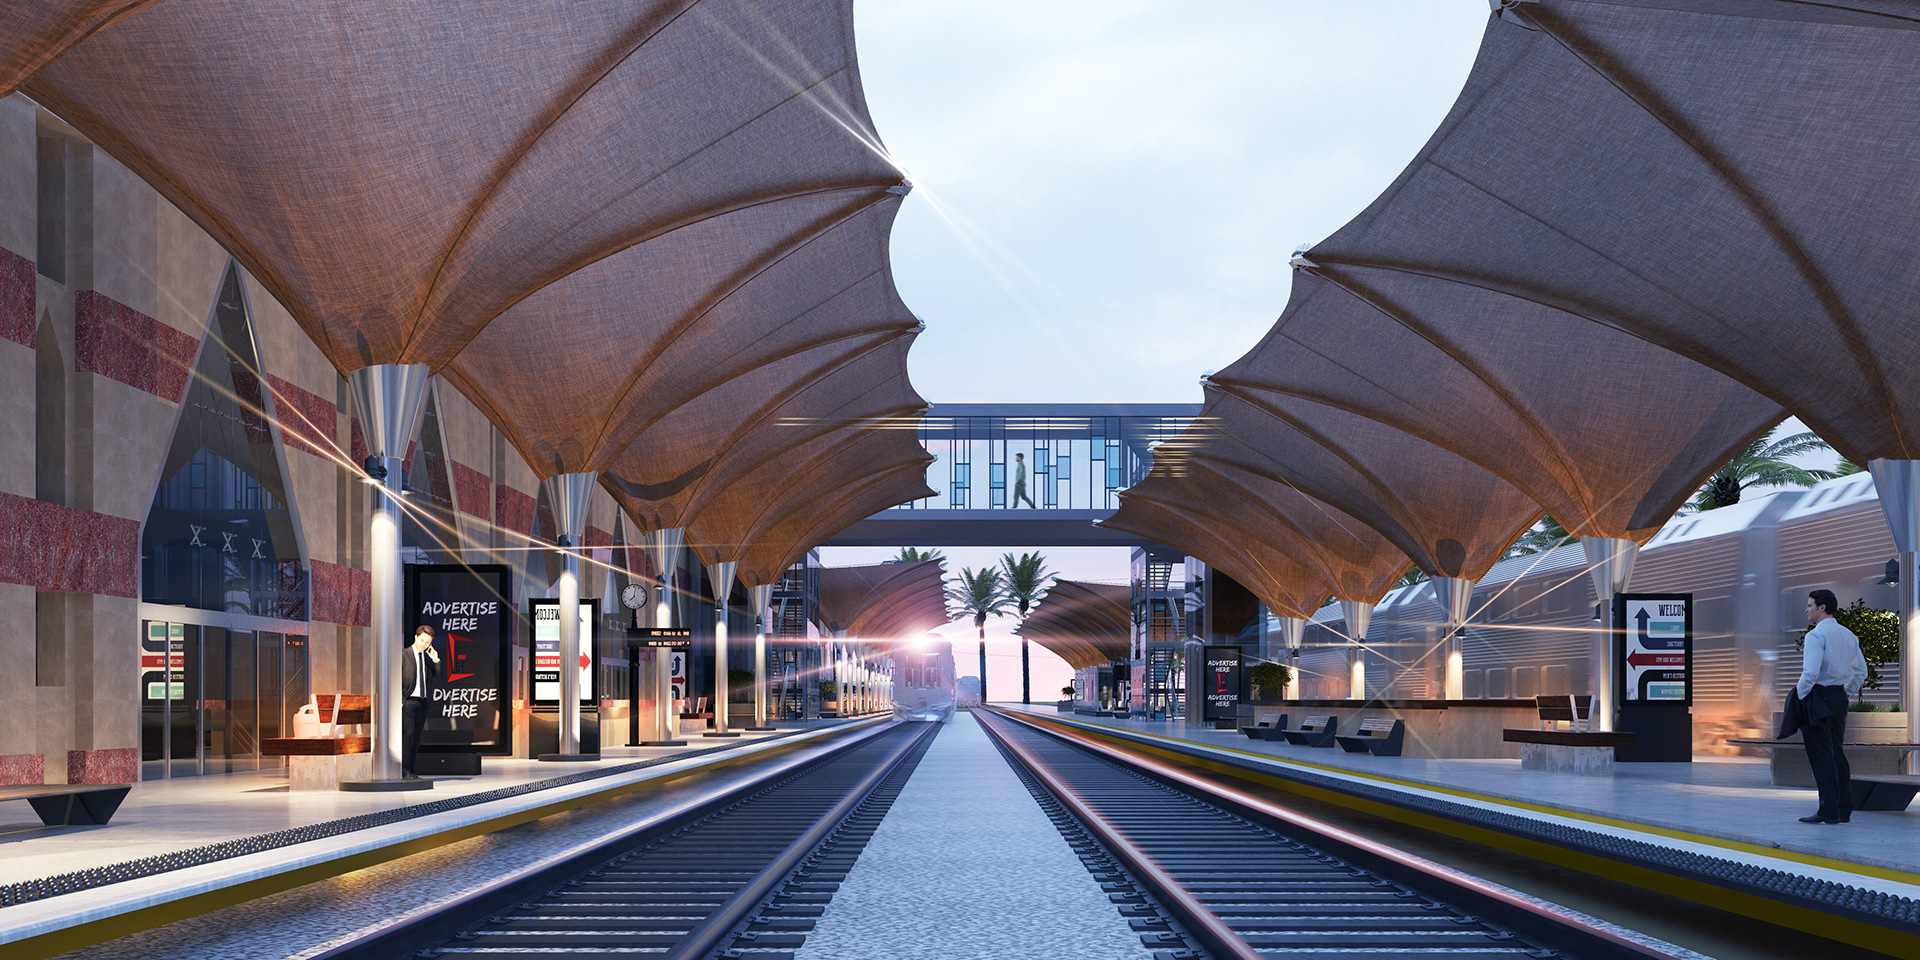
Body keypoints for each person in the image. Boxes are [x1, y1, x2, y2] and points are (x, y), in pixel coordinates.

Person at [1795, 590, 1867, 824]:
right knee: (1837, 753)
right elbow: (1861, 671)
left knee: (1821, 755)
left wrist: (1799, 697)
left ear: (1822, 607)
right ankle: (1843, 809)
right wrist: (1845, 693)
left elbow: (1811, 673)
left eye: (1809, 605)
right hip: (1838, 700)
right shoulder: (1848, 635)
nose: (1806, 609)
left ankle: (1827, 811)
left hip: (1819, 698)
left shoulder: (1816, 636)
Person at [401, 624, 442, 779]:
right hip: (408, 702)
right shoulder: (404, 654)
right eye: (422, 640)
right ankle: (404, 770)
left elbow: (439, 676)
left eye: (427, 642)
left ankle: (411, 769)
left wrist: (435, 658)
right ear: (416, 637)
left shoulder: (427, 657)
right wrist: (401, 699)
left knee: (416, 738)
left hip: (422, 703)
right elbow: (396, 677)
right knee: (408, 735)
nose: (424, 644)